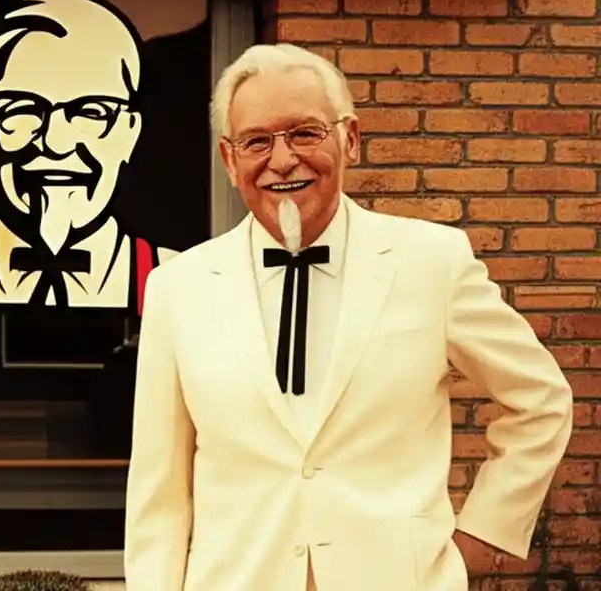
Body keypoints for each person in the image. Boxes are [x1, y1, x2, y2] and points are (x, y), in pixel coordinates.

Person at [123, 43, 574, 591]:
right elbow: (159, 490)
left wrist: (482, 534)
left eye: (305, 133)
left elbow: (540, 400)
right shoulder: (178, 287)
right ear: (228, 158)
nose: (282, 159)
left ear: (350, 138)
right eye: (257, 141)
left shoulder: (433, 263)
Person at [0, 0, 177, 312]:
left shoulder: (184, 288)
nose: (56, 143)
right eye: (22, 109)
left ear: (130, 132)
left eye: (91, 112)